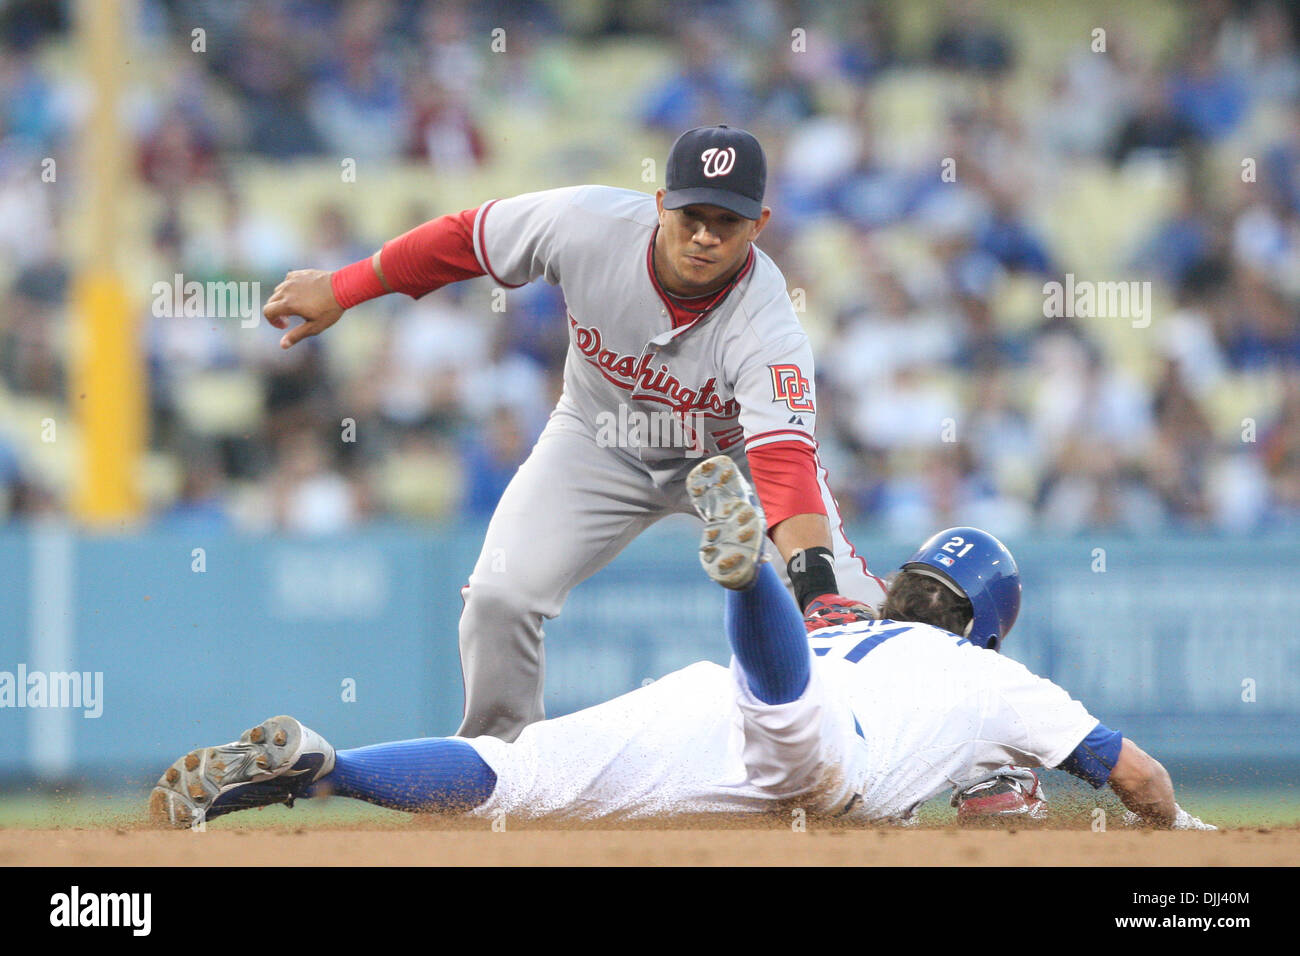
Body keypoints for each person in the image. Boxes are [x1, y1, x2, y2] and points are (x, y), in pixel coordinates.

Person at [149, 457, 1214, 831]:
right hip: (815, 740)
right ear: (989, 618)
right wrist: (1182, 831)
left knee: (518, 771)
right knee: (792, 712)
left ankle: (326, 764)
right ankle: (740, 560)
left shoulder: (859, 618)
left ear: (904, 584)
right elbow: (1133, 773)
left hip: (712, 696)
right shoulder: (994, 674)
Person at [262, 126, 885, 742]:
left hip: (732, 464)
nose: (703, 235)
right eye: (691, 213)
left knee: (856, 620)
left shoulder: (768, 324)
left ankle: (948, 759)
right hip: (598, 440)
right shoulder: (587, 222)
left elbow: (782, 458)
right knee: (499, 595)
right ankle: (497, 769)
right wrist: (345, 286)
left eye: (726, 221)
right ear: (661, 202)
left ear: (759, 223)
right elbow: (466, 240)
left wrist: (815, 588)